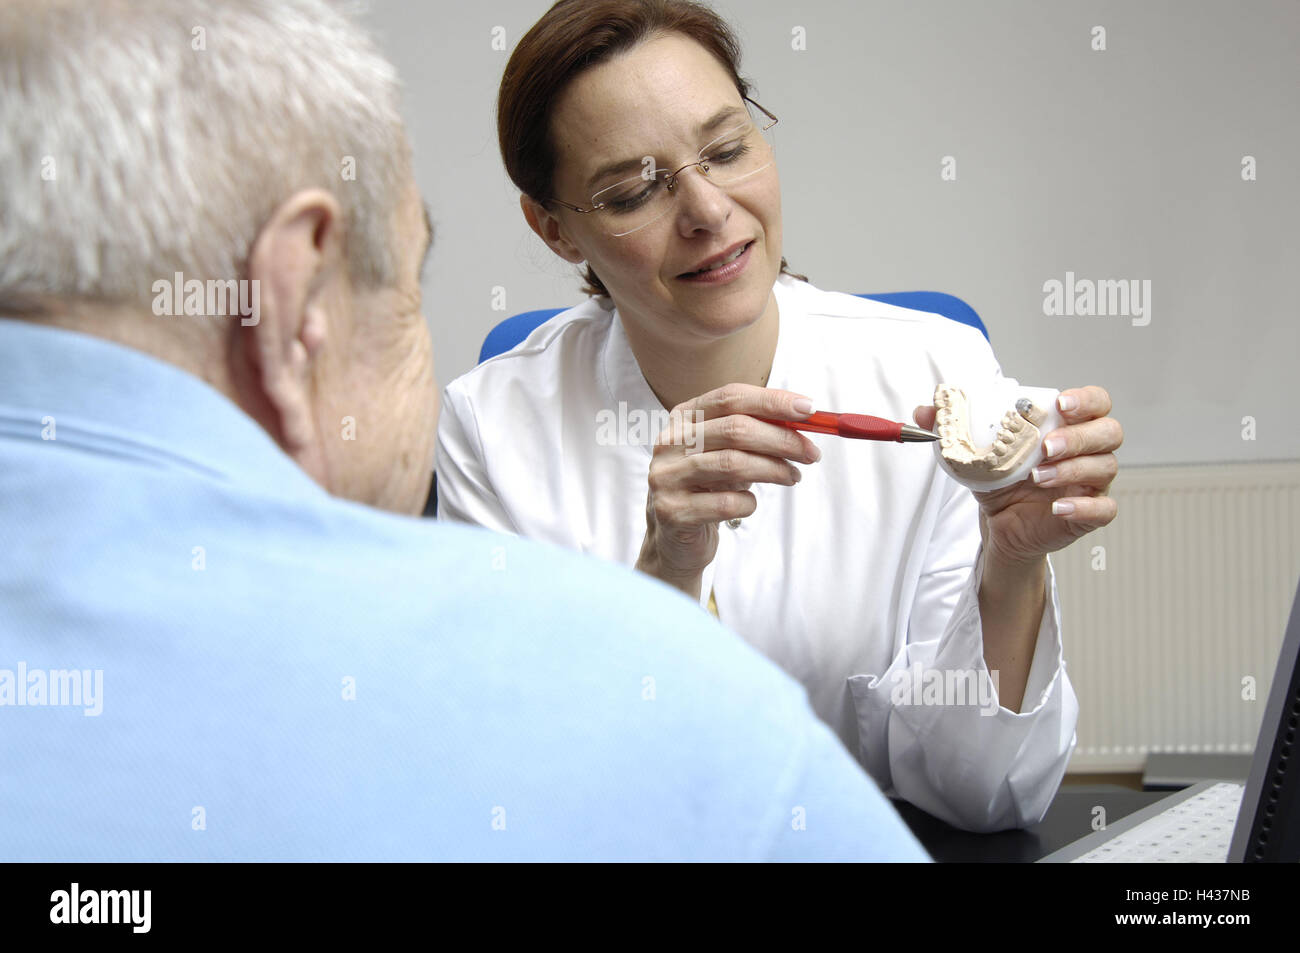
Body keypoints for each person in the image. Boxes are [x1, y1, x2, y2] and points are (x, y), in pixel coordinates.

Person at [0, 0, 928, 861]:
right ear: (292, 307)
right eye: (409, 283)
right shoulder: (704, 725)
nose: (707, 213)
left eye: (726, 149)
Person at [436, 0, 1123, 832]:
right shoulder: (491, 426)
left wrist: (1009, 566)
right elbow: (534, 797)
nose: (708, 211)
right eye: (629, 192)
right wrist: (667, 570)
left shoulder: (938, 371)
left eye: (726, 150)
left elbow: (985, 797)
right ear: (554, 229)